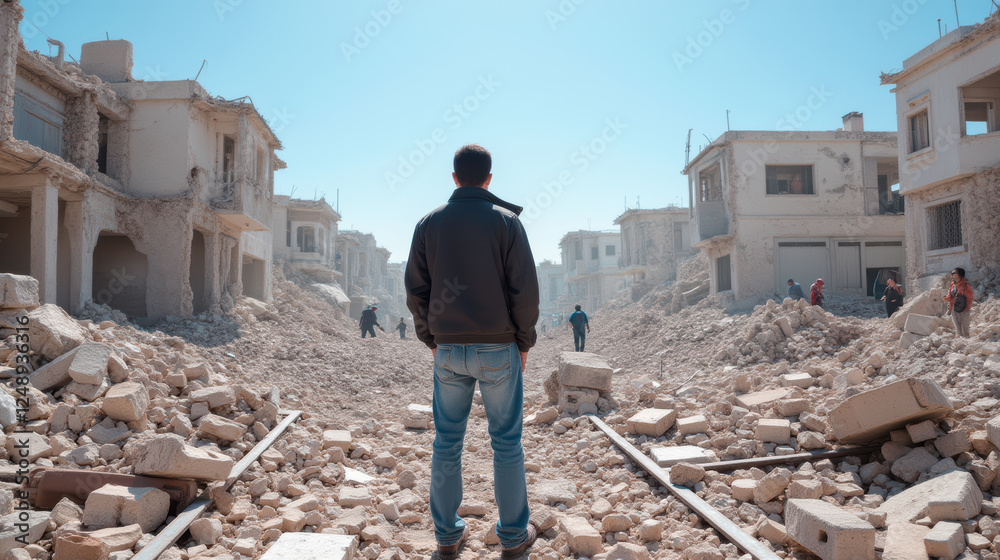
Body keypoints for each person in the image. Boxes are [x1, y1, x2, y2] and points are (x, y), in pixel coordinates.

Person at [404, 144, 539, 559]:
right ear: (489, 179)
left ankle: (447, 537)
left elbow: (415, 291)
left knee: (446, 442)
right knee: (506, 443)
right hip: (499, 348)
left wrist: (431, 339)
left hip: (448, 350)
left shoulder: (428, 223)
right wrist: (524, 341)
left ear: (454, 178)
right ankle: (514, 538)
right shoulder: (508, 223)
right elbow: (525, 290)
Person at [944, 267, 974, 337]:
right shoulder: (952, 284)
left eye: (956, 275)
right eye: (953, 275)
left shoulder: (966, 286)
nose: (954, 277)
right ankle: (960, 341)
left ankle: (967, 340)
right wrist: (947, 298)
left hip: (964, 309)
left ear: (961, 276)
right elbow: (950, 294)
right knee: (958, 328)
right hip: (954, 308)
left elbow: (969, 298)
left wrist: (967, 308)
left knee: (965, 328)